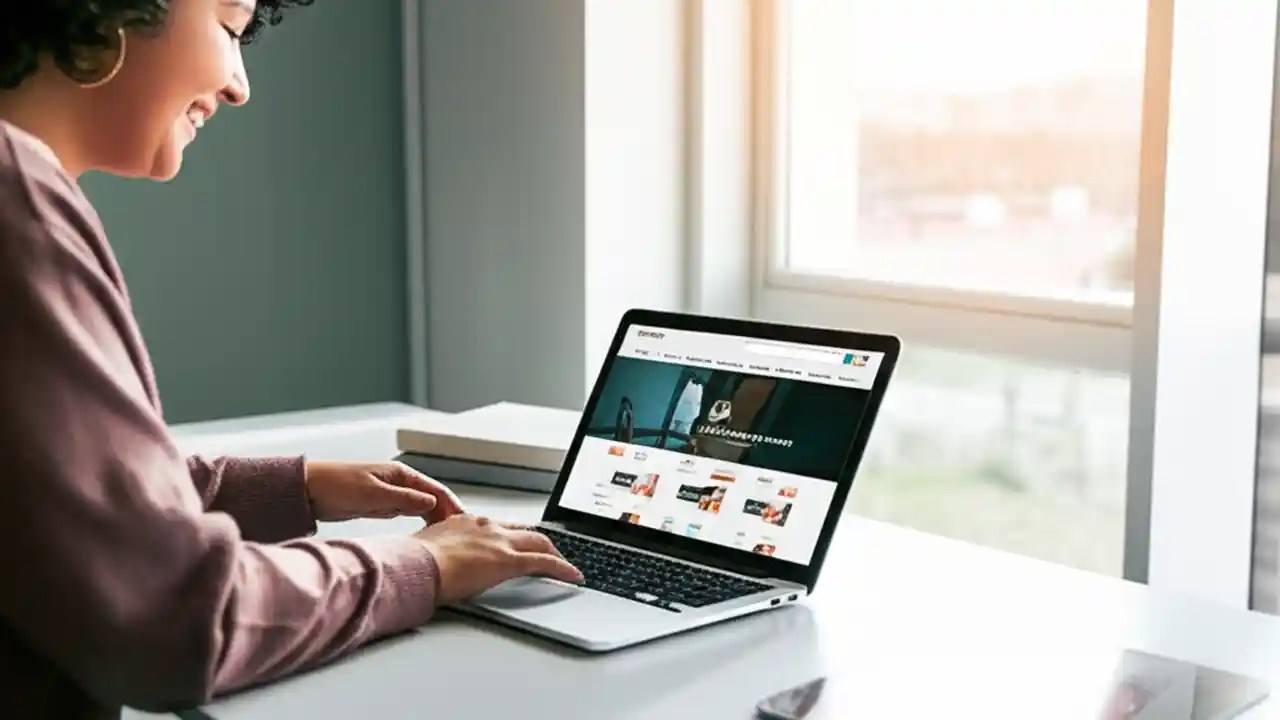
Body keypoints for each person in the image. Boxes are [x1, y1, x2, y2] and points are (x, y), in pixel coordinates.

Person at [0, 1, 583, 717]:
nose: (239, 85)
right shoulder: (13, 196)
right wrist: (426, 563)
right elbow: (175, 619)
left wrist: (293, 487)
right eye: (227, 25)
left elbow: (51, 496)